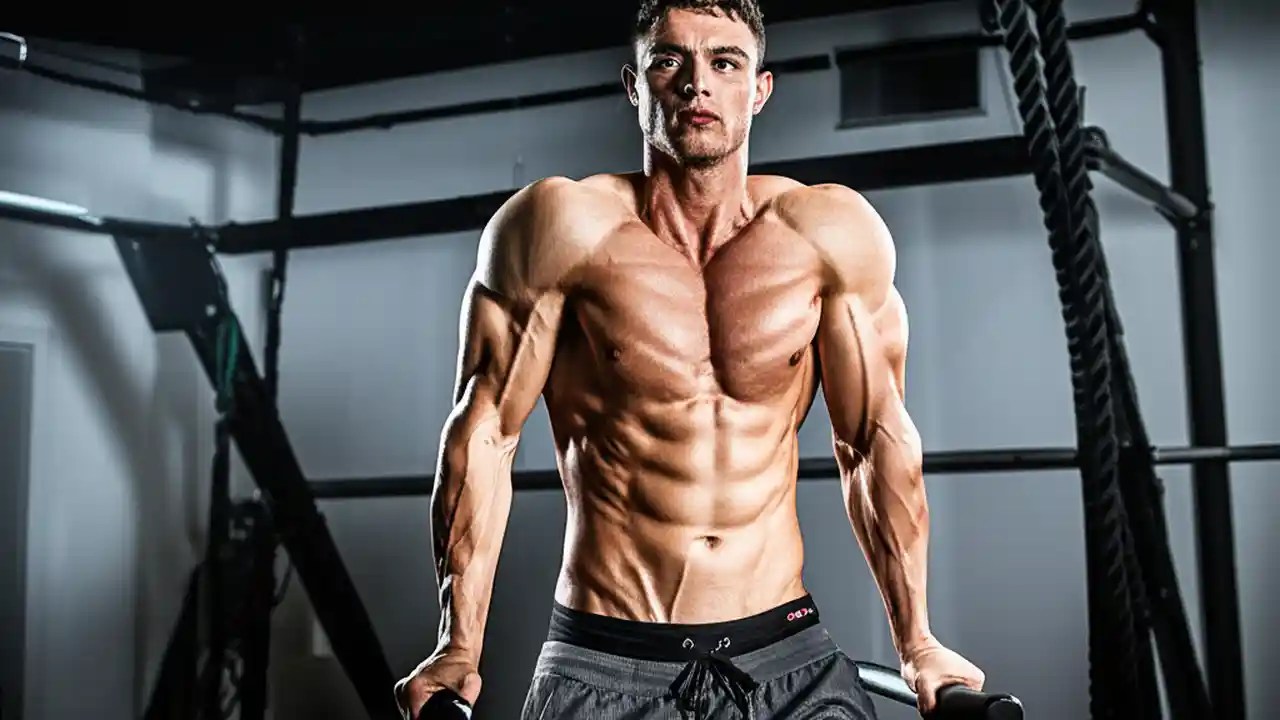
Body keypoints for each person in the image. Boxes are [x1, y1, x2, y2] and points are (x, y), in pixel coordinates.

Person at [395, 1, 987, 717]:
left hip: (787, 656)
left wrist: (917, 641)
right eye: (669, 61)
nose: (696, 84)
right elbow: (484, 432)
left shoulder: (829, 236)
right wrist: (459, 641)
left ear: (759, 89)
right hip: (609, 660)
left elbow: (875, 444)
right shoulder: (560, 228)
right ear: (634, 86)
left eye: (725, 63)